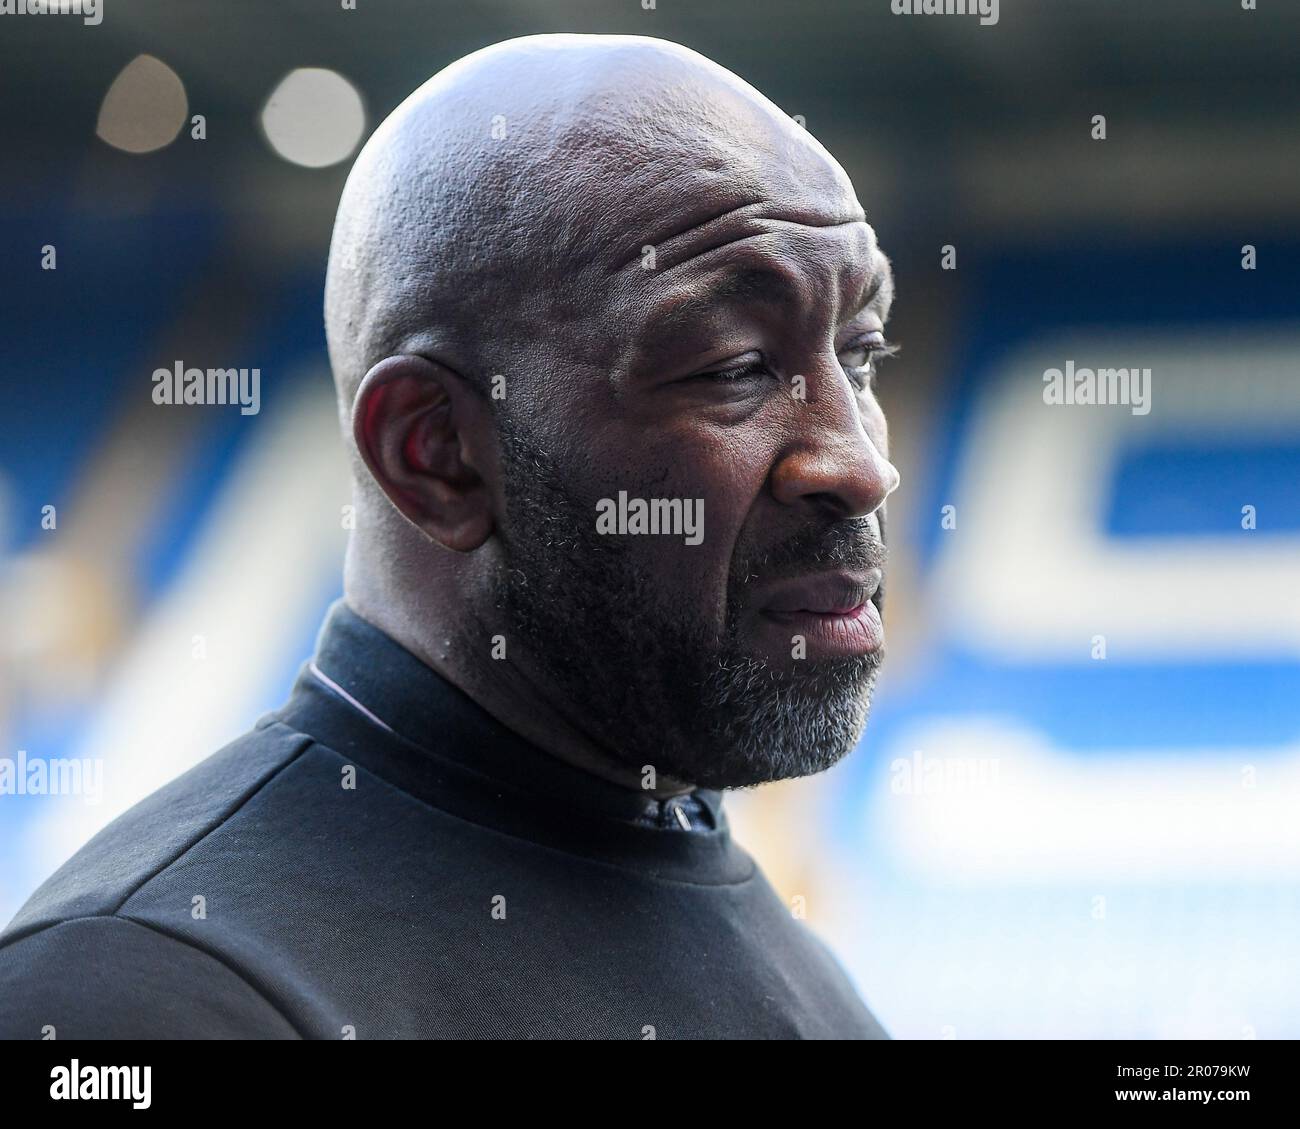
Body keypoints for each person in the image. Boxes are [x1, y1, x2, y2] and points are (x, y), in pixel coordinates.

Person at [0, 32, 899, 1039]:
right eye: (735, 366)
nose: (862, 463)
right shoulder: (135, 997)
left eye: (860, 354)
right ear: (436, 455)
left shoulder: (807, 979)